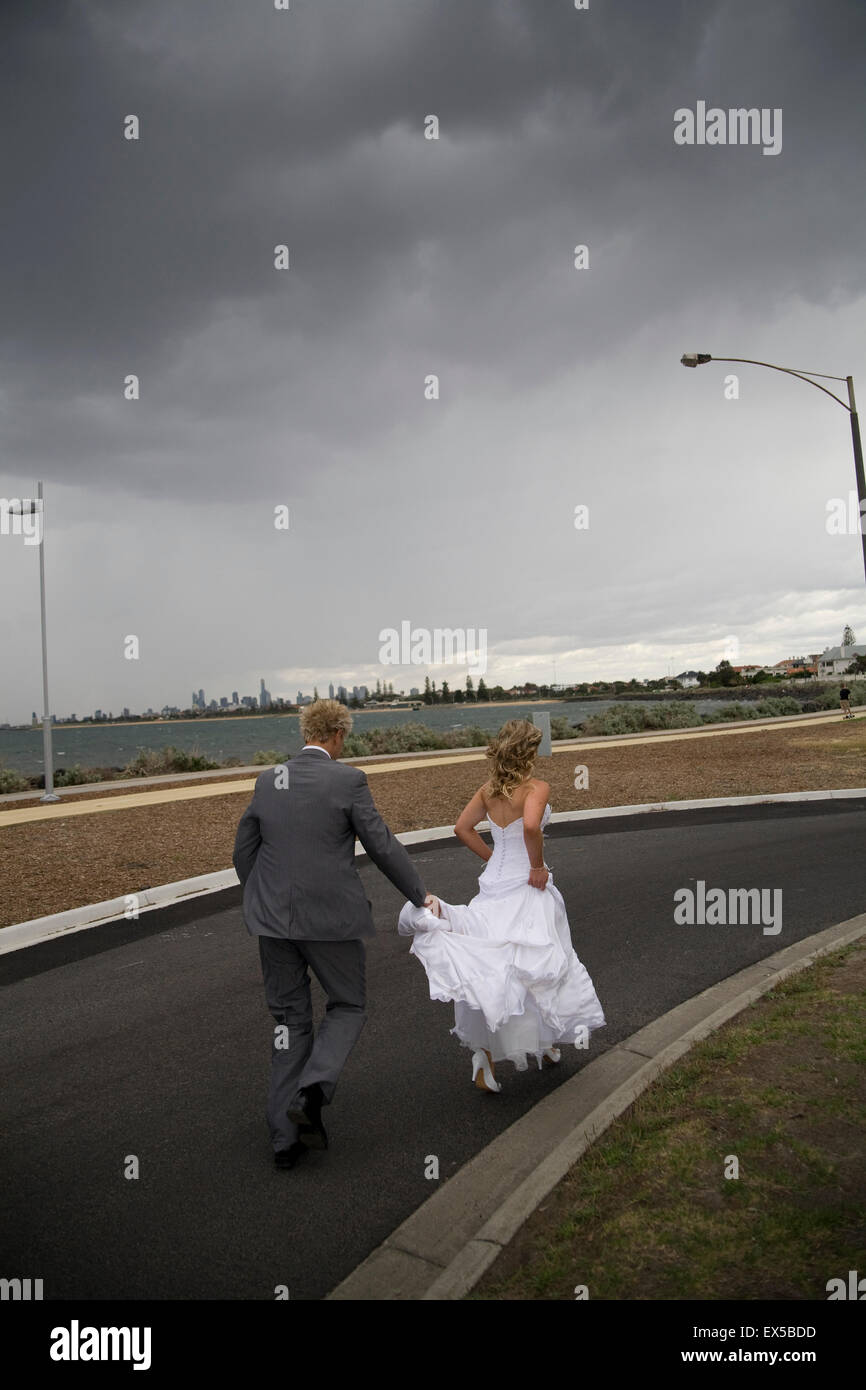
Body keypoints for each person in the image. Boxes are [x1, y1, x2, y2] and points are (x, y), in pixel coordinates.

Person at [233, 698, 438, 1169]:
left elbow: (243, 852)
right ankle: (312, 1092)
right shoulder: (348, 780)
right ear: (340, 735)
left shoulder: (270, 780)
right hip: (331, 921)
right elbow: (380, 844)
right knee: (347, 1004)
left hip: (273, 924)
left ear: (305, 731)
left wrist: (264, 899)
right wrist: (417, 892)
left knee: (290, 1021)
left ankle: (284, 1141)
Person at [398, 718, 605, 1092]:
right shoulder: (536, 788)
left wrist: (491, 857)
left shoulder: (487, 791)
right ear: (528, 752)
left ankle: (496, 1053)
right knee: (539, 965)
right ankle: (545, 1042)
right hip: (527, 884)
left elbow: (461, 828)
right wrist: (538, 866)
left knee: (498, 965)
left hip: (493, 887)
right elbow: (529, 827)